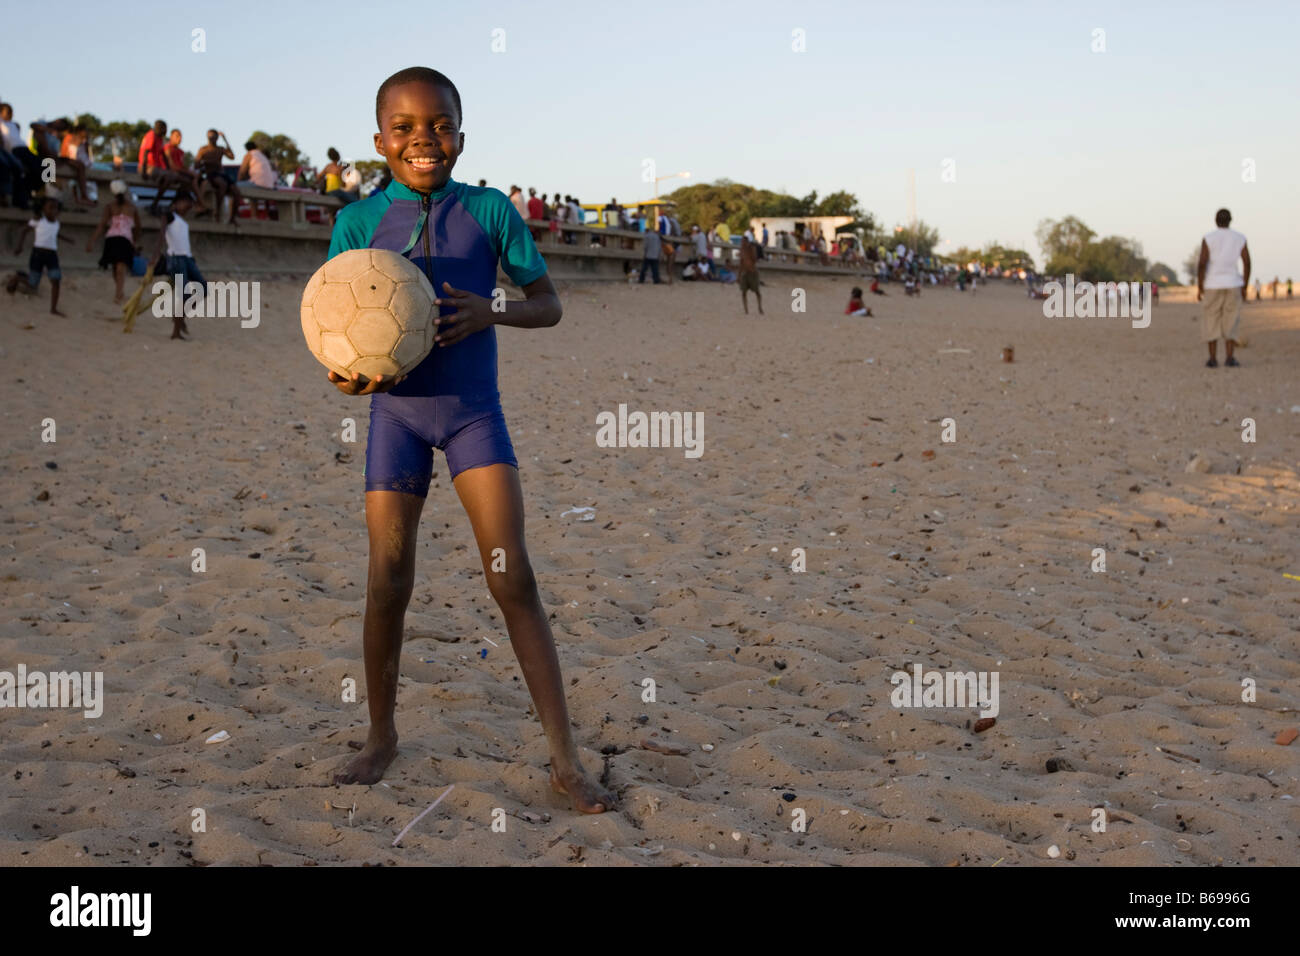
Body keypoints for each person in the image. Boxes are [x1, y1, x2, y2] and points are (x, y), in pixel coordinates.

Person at [322, 66, 613, 813]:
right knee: (388, 581)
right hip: (397, 419)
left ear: (461, 132)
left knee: (511, 576)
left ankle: (564, 759)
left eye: (441, 124)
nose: (425, 140)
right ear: (379, 139)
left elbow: (547, 304)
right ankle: (382, 736)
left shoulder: (489, 211)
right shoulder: (356, 225)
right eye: (406, 127)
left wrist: (493, 314)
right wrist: (347, 378)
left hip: (473, 413)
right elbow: (338, 334)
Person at [1197, 207, 1249, 368]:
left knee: (1211, 320)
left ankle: (1212, 359)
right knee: (1231, 320)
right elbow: (1247, 262)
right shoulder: (1239, 238)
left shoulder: (1208, 238)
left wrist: (1200, 285)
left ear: (1215, 220)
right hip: (1233, 283)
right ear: (1230, 220)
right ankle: (1229, 357)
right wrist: (1245, 285)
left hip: (1212, 284)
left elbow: (1202, 263)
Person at [152, 191, 206, 340]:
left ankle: (179, 317)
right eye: (183, 202)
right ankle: (176, 330)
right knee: (185, 294)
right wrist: (155, 255)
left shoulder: (182, 221)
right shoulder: (170, 216)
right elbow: (162, 234)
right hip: (176, 259)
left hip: (187, 258)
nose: (186, 206)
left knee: (203, 288)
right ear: (175, 204)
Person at [6, 197, 74, 314]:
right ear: (43, 209)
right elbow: (24, 231)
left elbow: (55, 234)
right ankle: (17, 277)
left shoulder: (57, 223)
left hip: (52, 254)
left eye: (56, 208)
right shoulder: (38, 220)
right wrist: (20, 246)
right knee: (33, 283)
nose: (54, 211)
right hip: (38, 254)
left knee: (56, 279)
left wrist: (68, 239)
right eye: (51, 208)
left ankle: (53, 308)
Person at [86, 179, 141, 303]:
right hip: (125, 239)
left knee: (116, 267)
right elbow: (138, 227)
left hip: (112, 238)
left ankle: (119, 292)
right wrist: (135, 241)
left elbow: (102, 225)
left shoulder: (110, 206)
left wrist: (92, 241)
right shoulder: (132, 207)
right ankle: (119, 293)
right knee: (121, 267)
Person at [195, 129, 241, 224]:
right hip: (211, 174)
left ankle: (232, 218)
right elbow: (196, 164)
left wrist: (225, 139)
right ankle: (217, 212)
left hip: (222, 174)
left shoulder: (220, 149)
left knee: (236, 192)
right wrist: (207, 162)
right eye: (209, 137)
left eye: (213, 137)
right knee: (222, 185)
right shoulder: (203, 150)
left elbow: (232, 157)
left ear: (217, 138)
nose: (211, 139)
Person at [738, 235, 762, 314]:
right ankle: (746, 310)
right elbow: (741, 263)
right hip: (745, 273)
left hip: (752, 272)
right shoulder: (741, 250)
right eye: (742, 241)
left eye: (743, 241)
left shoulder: (751, 248)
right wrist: (739, 275)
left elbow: (755, 259)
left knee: (757, 291)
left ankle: (759, 307)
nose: (742, 243)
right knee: (744, 292)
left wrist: (750, 250)